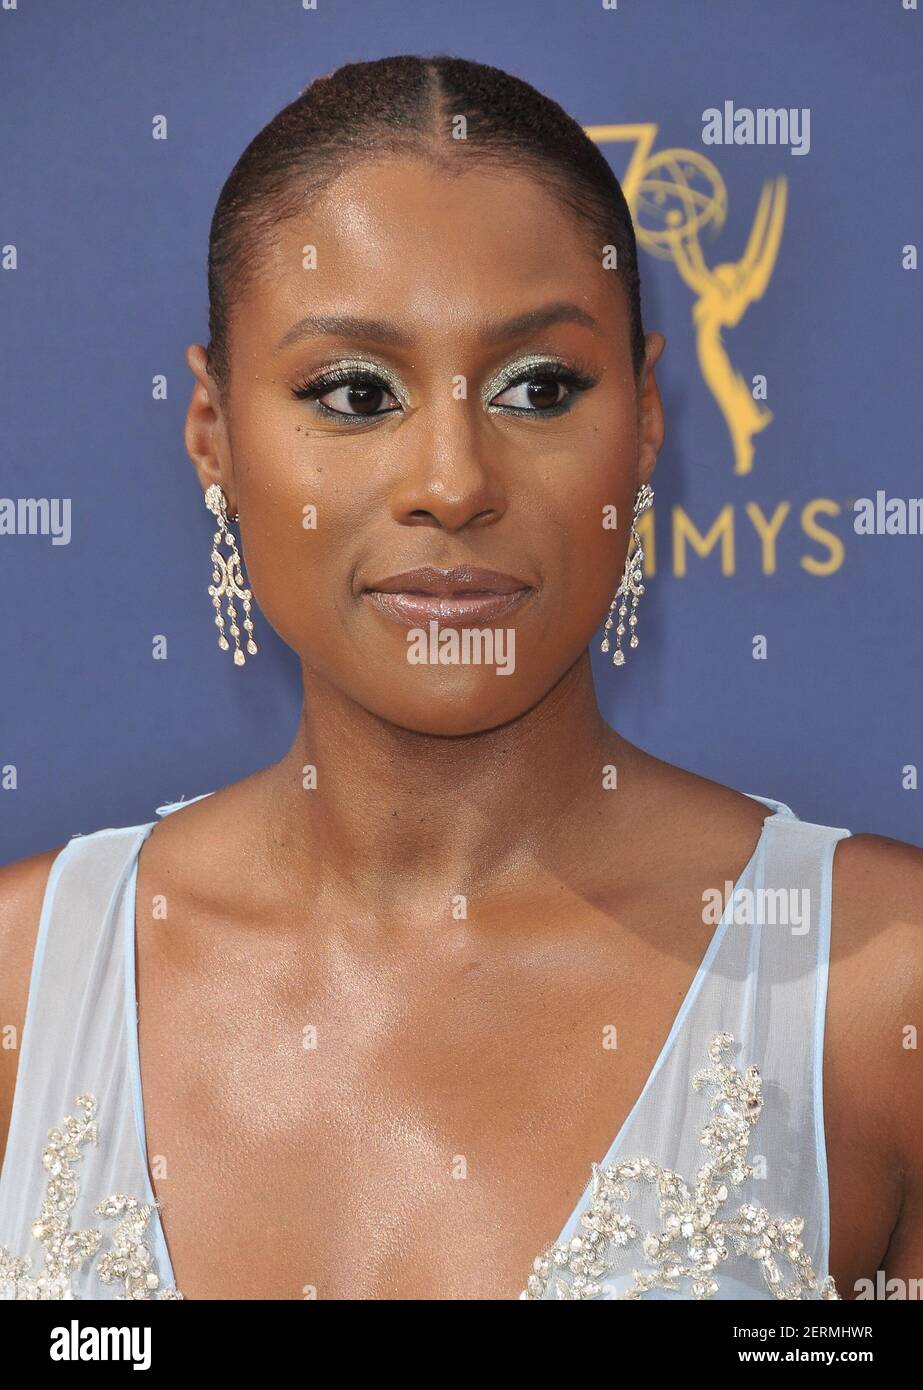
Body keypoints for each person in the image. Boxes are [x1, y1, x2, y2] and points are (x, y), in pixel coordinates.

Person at [1, 54, 921, 1302]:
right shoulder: (22, 983)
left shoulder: (878, 991)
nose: (453, 477)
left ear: (646, 416)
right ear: (211, 428)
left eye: (536, 387)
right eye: (354, 391)